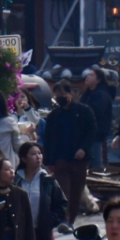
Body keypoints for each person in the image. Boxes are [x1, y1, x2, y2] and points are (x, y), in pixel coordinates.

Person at [43, 80, 96, 227]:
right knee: (63, 190)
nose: (61, 97)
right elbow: (48, 138)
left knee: (77, 190)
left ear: (71, 94)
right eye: (58, 94)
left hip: (79, 159)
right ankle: (64, 219)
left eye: (63, 94)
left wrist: (84, 149)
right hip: (60, 158)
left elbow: (91, 132)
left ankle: (70, 220)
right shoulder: (53, 116)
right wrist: (48, 160)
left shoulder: (84, 111)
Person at [82, 68, 116, 172]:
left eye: (91, 75)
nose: (87, 77)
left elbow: (95, 112)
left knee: (96, 163)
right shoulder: (88, 93)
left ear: (99, 79)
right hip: (87, 134)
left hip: (96, 134)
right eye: (87, 75)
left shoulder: (102, 94)